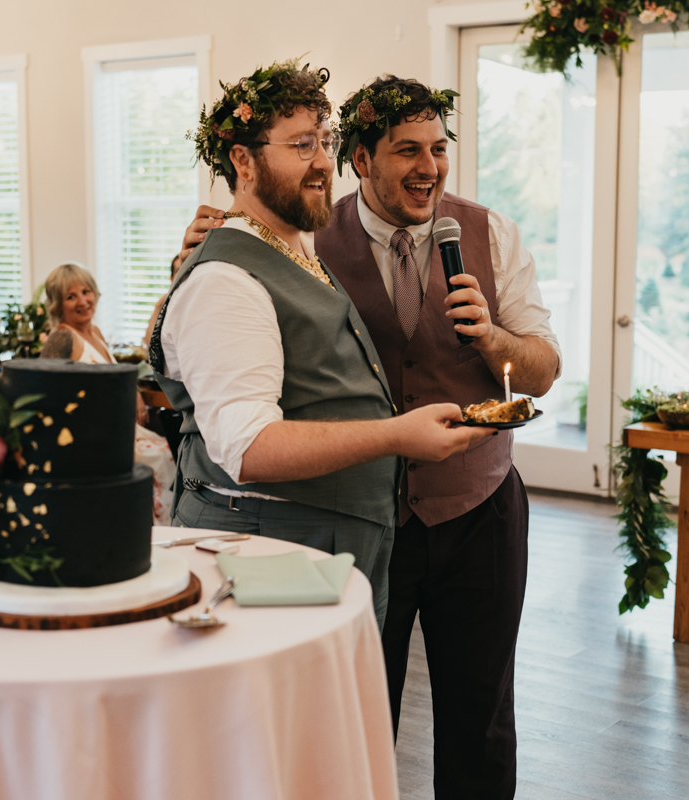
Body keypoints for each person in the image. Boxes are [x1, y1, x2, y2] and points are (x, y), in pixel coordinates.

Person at [182, 75, 561, 799]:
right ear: (362, 158)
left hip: (477, 511)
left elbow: (539, 374)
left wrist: (491, 339)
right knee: (360, 708)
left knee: (479, 715)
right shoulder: (301, 235)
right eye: (407, 151)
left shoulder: (490, 234)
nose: (430, 168)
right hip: (363, 518)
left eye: (439, 149)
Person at [154, 59, 494, 632]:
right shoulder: (225, 280)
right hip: (269, 554)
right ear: (243, 158)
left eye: (325, 141)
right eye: (302, 144)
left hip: (318, 547)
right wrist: (397, 435)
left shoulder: (294, 250)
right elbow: (248, 446)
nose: (322, 162)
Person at [39, 262, 174, 523]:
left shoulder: (96, 333)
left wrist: (132, 389)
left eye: (86, 292)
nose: (82, 301)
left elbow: (110, 374)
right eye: (71, 296)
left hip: (117, 428)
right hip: (90, 435)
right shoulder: (61, 338)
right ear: (57, 304)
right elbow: (45, 391)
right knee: (160, 457)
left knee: (169, 449)